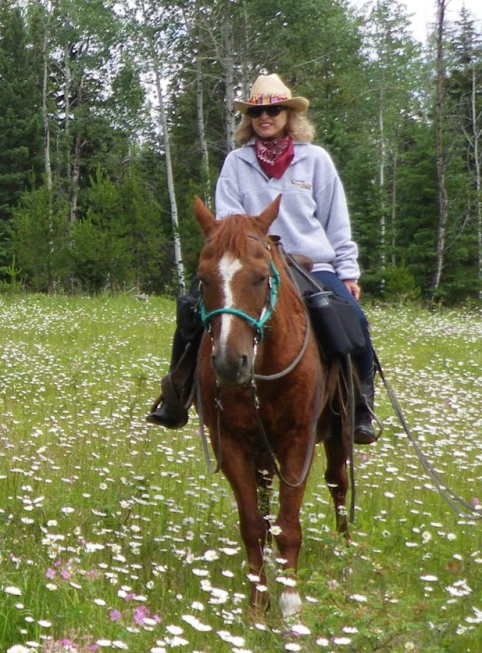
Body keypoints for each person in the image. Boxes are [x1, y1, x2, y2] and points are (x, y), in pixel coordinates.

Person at [147, 73, 379, 444]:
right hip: (250, 261)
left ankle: (360, 405)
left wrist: (347, 272)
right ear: (249, 119)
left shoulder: (315, 160)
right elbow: (228, 217)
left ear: (289, 114)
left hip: (312, 264)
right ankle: (177, 393)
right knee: (192, 308)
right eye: (257, 112)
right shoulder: (237, 162)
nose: (264, 117)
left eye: (273, 110)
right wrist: (254, 250)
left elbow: (336, 219)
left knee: (353, 320)